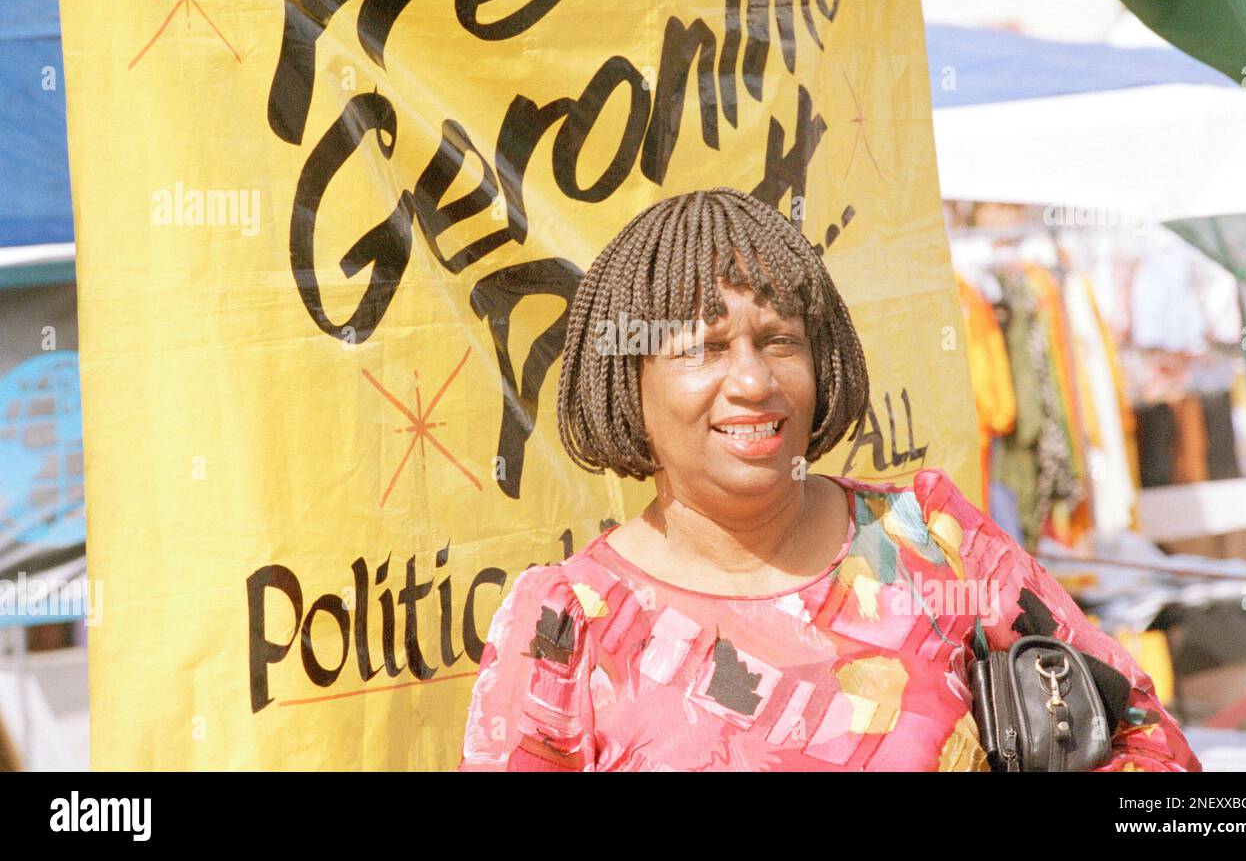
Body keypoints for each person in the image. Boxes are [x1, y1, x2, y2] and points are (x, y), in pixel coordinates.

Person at [457, 187, 1201, 771]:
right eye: (704, 349)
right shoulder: (568, 624)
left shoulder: (930, 542)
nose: (752, 380)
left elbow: (1154, 747)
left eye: (780, 341)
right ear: (629, 381)